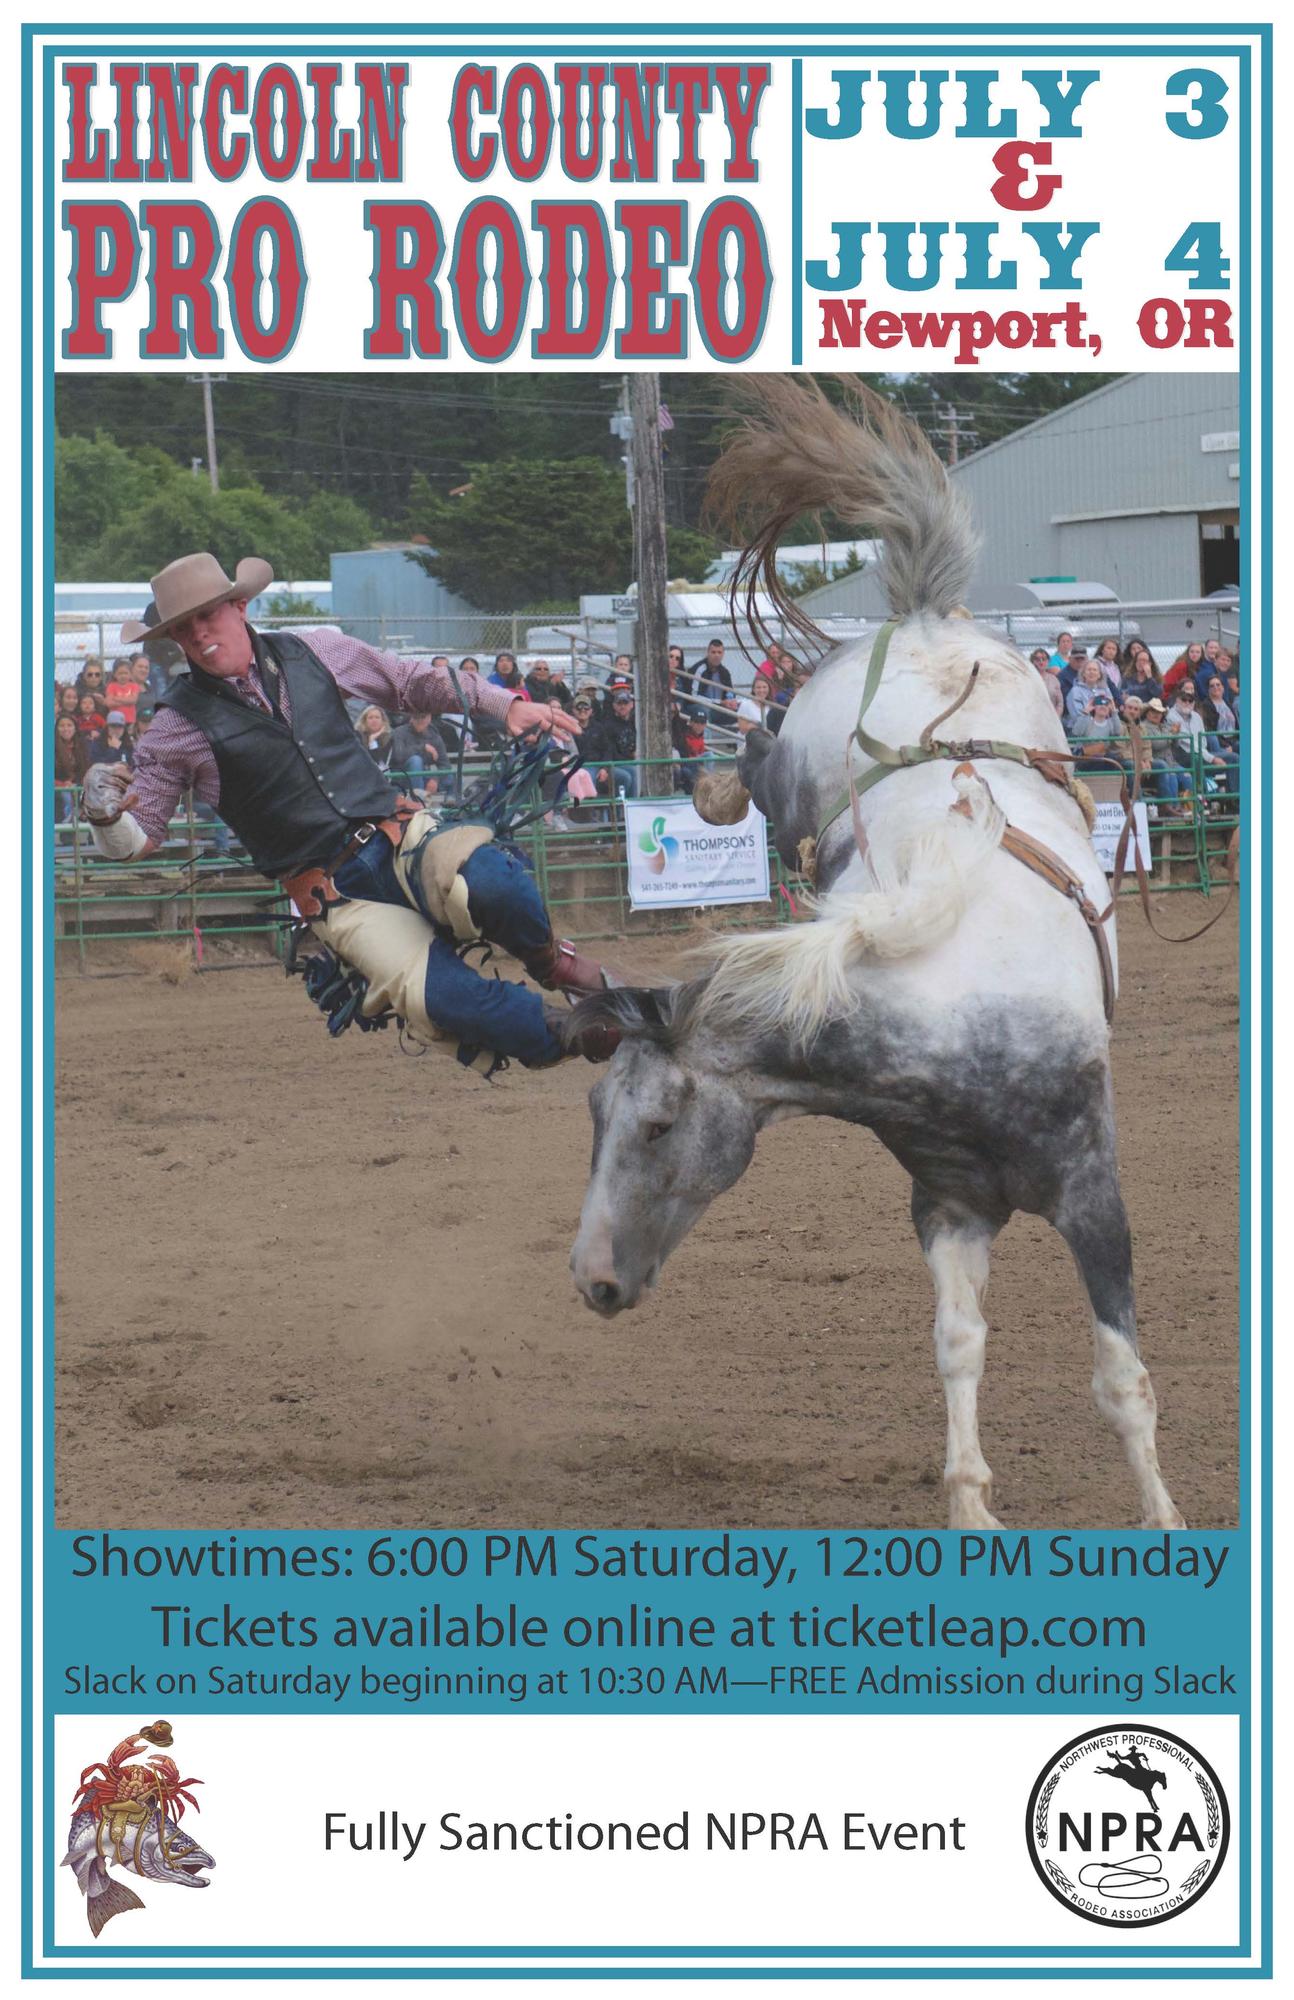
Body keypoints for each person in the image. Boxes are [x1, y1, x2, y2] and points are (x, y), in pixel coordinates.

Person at [81, 552, 621, 1069]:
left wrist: (504, 703)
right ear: (174, 638)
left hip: (399, 834)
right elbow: (141, 837)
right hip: (335, 894)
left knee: (492, 881)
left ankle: (553, 962)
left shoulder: (313, 650)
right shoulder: (176, 726)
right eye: (183, 626)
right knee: (442, 1002)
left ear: (239, 607)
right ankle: (578, 1034)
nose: (198, 632)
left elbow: (409, 682)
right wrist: (104, 816)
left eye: (206, 614)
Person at [583, 685, 639, 799]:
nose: (622, 706)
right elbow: (609, 750)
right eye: (619, 703)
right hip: (614, 762)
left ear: (632, 704)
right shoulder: (607, 724)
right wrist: (605, 767)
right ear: (614, 705)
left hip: (628, 761)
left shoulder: (636, 722)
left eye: (625, 703)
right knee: (629, 774)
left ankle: (632, 807)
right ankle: (623, 808)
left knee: (635, 771)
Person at [54, 713, 87, 819]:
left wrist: (76, 783)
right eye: (62, 725)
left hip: (77, 785)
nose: (65, 728)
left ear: (75, 728)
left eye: (69, 725)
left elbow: (85, 770)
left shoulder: (82, 745)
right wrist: (62, 784)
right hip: (57, 787)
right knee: (66, 797)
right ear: (57, 729)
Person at [355, 703, 395, 772]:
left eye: (377, 717)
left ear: (383, 721)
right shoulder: (357, 736)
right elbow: (362, 759)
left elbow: (379, 761)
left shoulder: (388, 738)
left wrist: (372, 741)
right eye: (370, 717)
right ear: (364, 721)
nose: (374, 720)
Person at [1030, 646, 1064, 718]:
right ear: (1033, 661)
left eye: (1044, 659)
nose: (1041, 661)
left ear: (1048, 661)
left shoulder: (1054, 679)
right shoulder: (1029, 679)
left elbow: (1060, 703)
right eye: (1038, 659)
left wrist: (1056, 718)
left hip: (1052, 719)